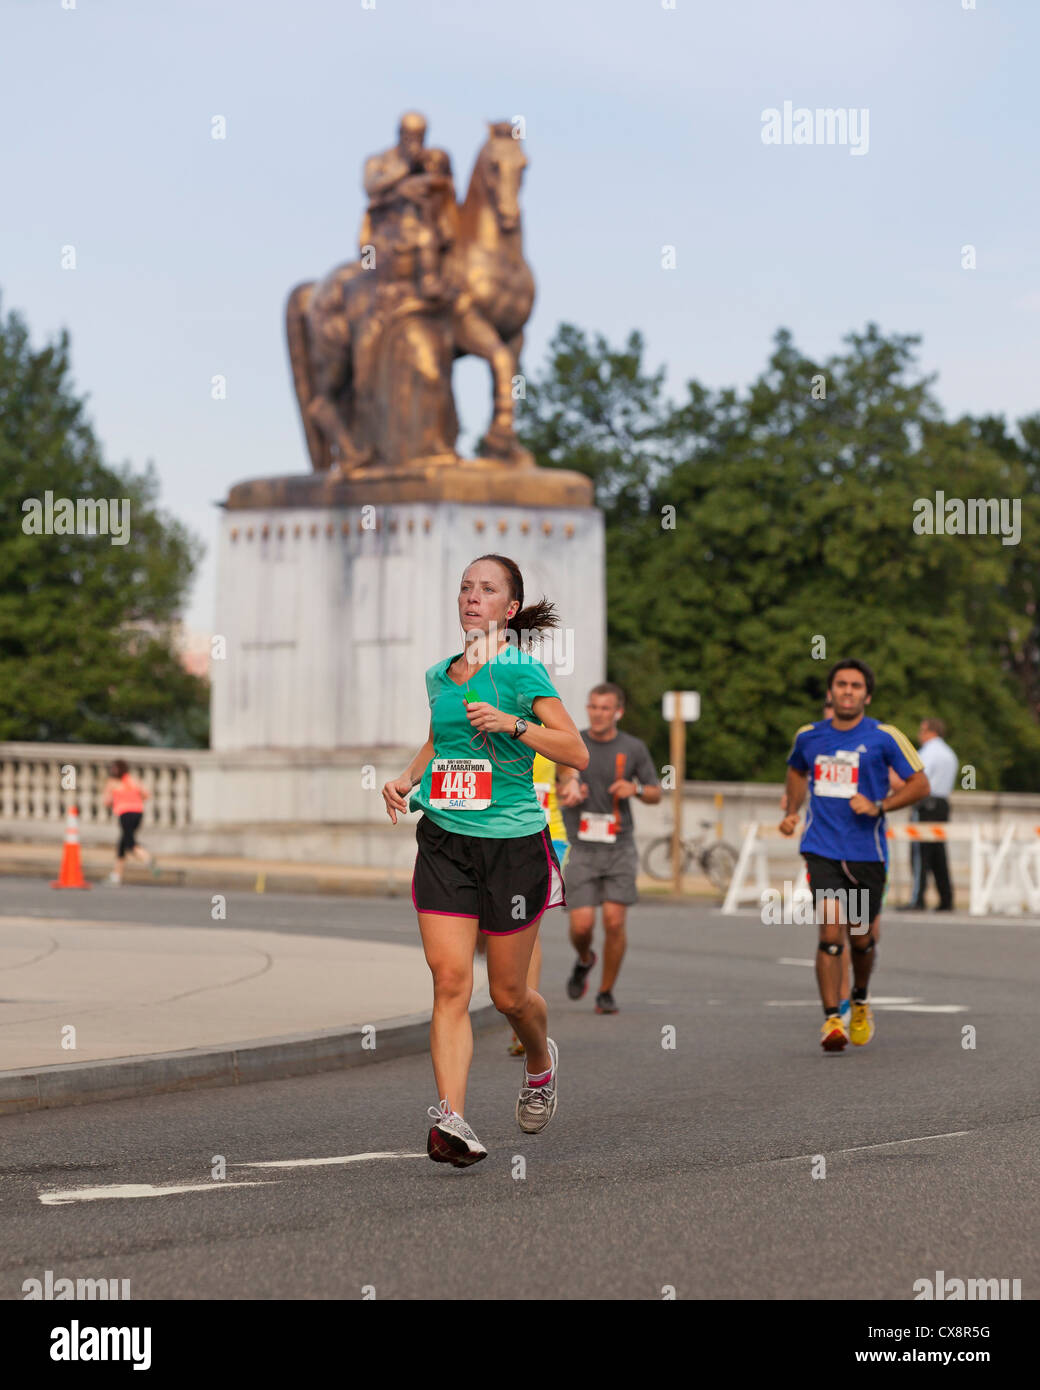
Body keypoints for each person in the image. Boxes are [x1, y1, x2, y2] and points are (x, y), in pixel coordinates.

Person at [381, 554, 588, 1168]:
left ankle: (541, 1061)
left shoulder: (523, 673)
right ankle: (451, 1119)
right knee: (449, 982)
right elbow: (441, 736)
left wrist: (514, 725)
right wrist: (407, 777)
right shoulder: (439, 675)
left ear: (510, 608)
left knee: (509, 996)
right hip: (444, 839)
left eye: (487, 589)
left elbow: (575, 750)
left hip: (512, 845)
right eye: (466, 587)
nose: (473, 596)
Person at [779, 660, 930, 1051]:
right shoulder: (809, 737)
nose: (848, 691)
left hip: (866, 853)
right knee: (831, 932)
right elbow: (796, 771)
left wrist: (880, 805)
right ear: (830, 693)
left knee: (861, 939)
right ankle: (832, 1018)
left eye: (856, 686)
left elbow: (920, 783)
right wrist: (792, 811)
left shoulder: (884, 736)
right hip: (822, 849)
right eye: (841, 685)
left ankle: (860, 998)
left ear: (867, 695)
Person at [557, 684, 661, 1014]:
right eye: (593, 707)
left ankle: (605, 992)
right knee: (582, 926)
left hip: (619, 845)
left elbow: (656, 793)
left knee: (614, 922)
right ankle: (586, 959)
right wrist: (569, 785)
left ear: (618, 712)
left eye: (606, 708)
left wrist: (637, 788)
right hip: (583, 848)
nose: (598, 713)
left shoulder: (633, 748)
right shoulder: (575, 742)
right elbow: (564, 772)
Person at [499, 753, 570, 1057]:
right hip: (502, 833)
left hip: (546, 834)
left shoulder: (546, 717)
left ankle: (523, 1023)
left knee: (527, 924)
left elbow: (568, 766)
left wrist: (572, 784)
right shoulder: (491, 718)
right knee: (499, 927)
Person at [898, 719, 958, 912]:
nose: (919, 734)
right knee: (939, 854)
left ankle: (918, 898)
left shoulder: (927, 753)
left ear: (931, 732)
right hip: (942, 805)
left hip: (926, 805)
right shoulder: (950, 754)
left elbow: (917, 779)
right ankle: (946, 898)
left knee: (920, 855)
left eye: (922, 730)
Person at [102, 761, 154, 884]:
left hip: (125, 813)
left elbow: (106, 801)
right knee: (122, 844)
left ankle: (148, 859)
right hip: (138, 812)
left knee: (129, 843)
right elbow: (146, 794)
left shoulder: (112, 782)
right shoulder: (133, 780)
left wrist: (117, 801)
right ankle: (116, 875)